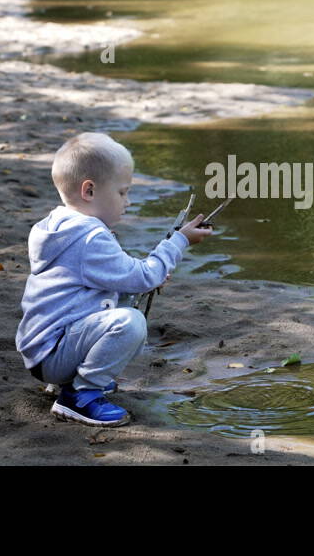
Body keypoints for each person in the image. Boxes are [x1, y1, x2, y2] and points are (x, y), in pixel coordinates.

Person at [15, 132, 211, 426]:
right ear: (89, 191)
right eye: (122, 192)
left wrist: (143, 281)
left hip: (43, 350)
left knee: (123, 305)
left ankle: (76, 380)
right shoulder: (89, 238)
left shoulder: (56, 226)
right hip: (54, 354)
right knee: (131, 323)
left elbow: (97, 286)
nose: (128, 202)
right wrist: (179, 241)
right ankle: (80, 396)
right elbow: (143, 275)